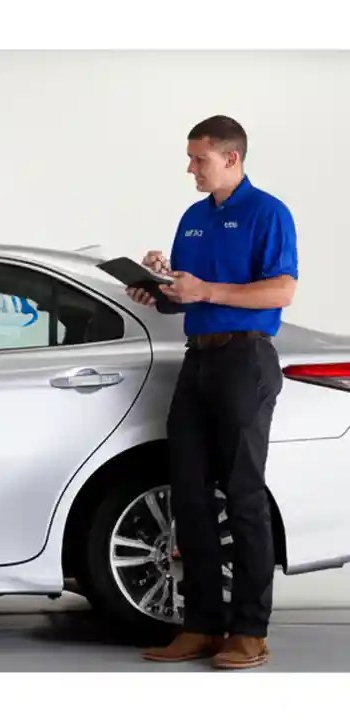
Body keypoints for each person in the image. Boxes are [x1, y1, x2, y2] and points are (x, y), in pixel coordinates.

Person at [129, 116, 298, 670]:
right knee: (190, 495)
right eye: (190, 157)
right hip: (198, 360)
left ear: (231, 158)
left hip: (245, 360)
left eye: (199, 159)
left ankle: (250, 630)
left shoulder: (268, 212)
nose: (190, 168)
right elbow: (187, 298)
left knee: (243, 494)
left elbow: (282, 289)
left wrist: (207, 289)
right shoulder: (194, 218)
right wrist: (159, 288)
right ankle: (201, 624)